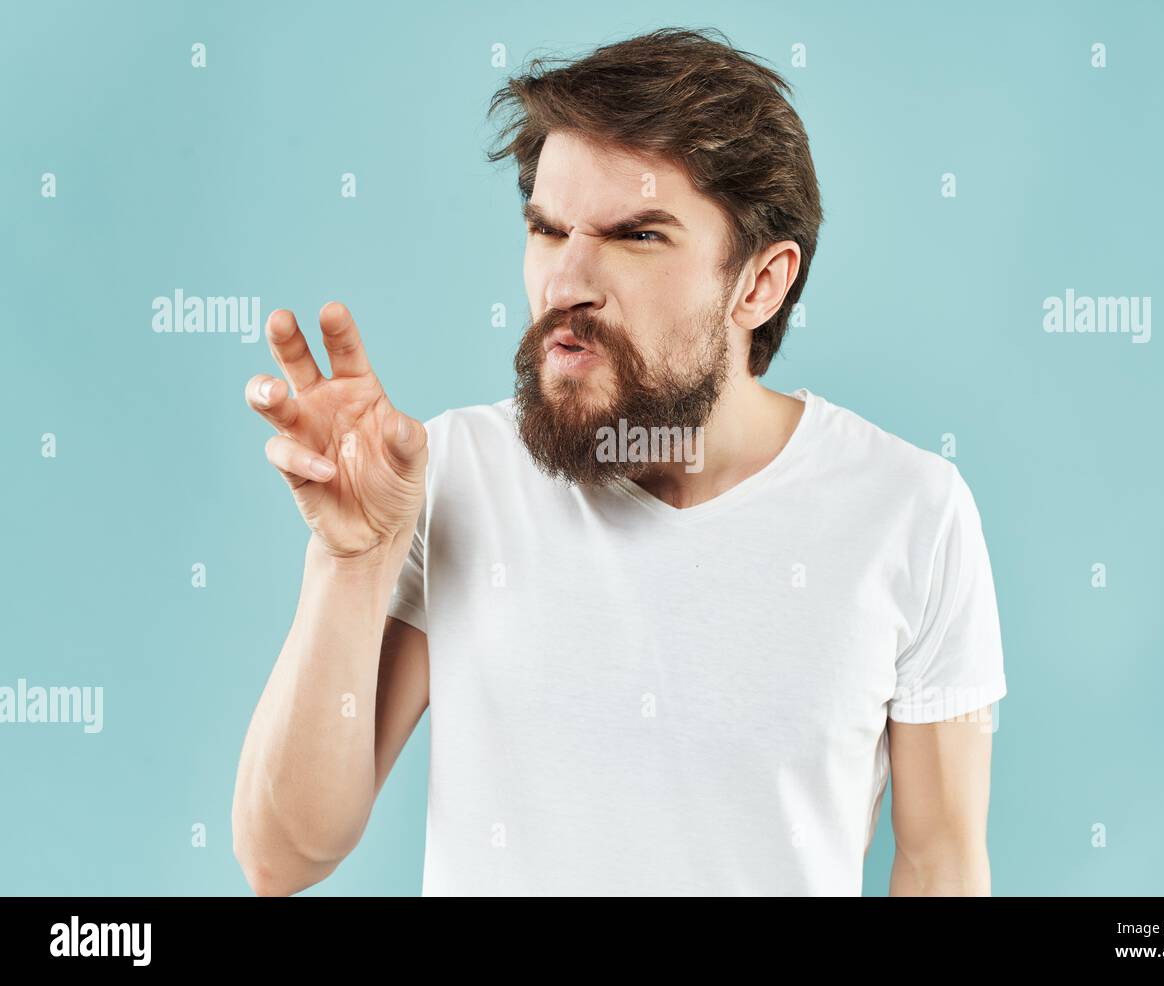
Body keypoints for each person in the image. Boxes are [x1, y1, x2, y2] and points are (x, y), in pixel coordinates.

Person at [232, 27, 1007, 896]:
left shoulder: (910, 510)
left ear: (760, 282)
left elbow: (941, 866)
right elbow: (284, 856)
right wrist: (350, 563)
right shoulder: (446, 476)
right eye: (547, 229)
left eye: (636, 236)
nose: (567, 282)